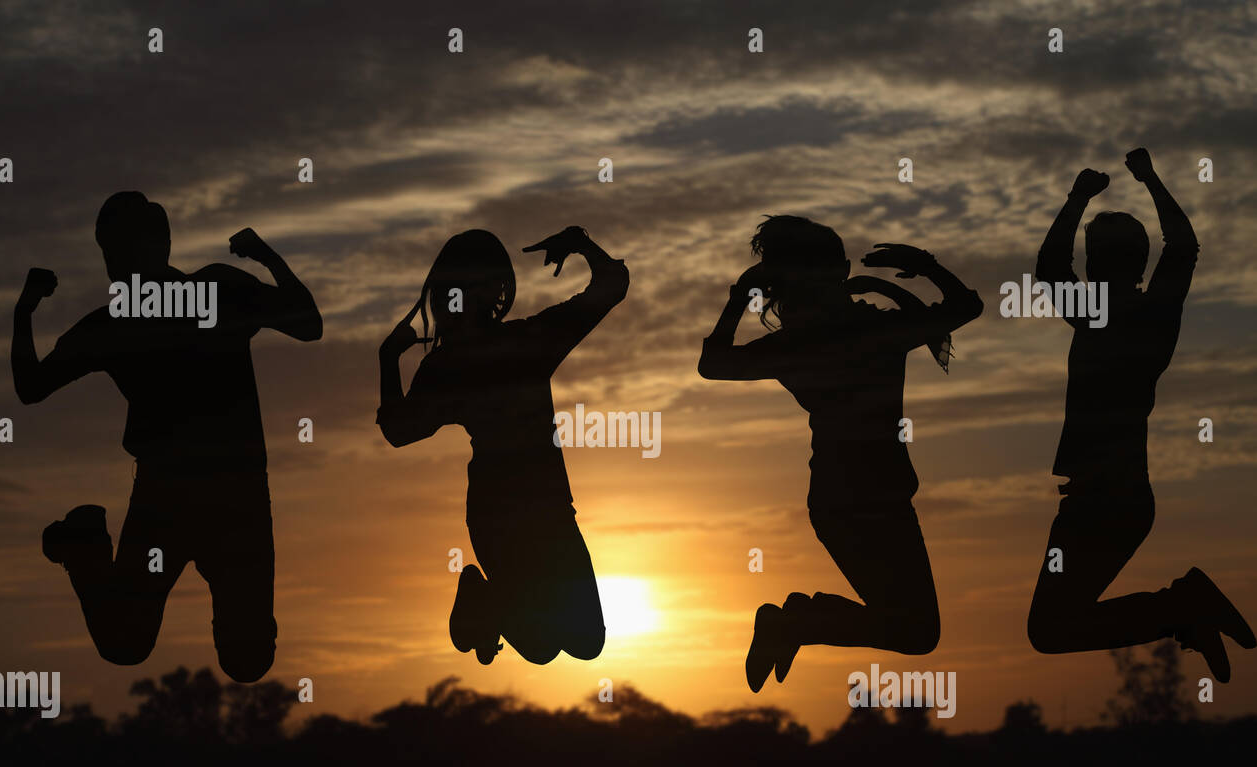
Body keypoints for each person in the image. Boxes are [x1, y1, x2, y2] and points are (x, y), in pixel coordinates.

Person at [12, 191, 322, 682]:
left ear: (161, 245)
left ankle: (83, 546)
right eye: (110, 254)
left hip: (231, 496)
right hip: (170, 499)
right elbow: (31, 389)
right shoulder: (117, 322)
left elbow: (309, 326)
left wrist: (266, 256)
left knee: (248, 660)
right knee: (124, 643)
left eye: (124, 250)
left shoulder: (213, 291)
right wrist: (23, 313)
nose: (117, 266)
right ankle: (84, 546)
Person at [698, 215, 983, 692]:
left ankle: (797, 622)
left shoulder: (797, 344)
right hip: (873, 499)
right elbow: (965, 306)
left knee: (912, 629)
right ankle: (795, 623)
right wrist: (926, 266)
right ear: (841, 270)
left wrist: (736, 298)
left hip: (843, 500)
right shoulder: (872, 330)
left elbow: (713, 363)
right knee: (915, 631)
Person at [1026, 148, 1254, 681]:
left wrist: (1078, 199)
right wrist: (1149, 179)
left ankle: (1182, 607)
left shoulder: (1099, 315)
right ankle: (1182, 612)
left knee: (1050, 630)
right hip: (1118, 497)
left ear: (1093, 264)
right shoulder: (1153, 314)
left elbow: (1050, 267)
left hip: (1105, 499)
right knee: (1053, 627)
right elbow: (1184, 247)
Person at [378, 226, 628, 664]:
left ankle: (486, 601)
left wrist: (388, 361)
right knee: (568, 644)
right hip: (535, 511)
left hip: (512, 513)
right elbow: (612, 286)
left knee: (568, 644)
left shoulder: (447, 365)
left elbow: (399, 430)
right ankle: (484, 600)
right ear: (498, 288)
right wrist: (583, 244)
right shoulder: (526, 341)